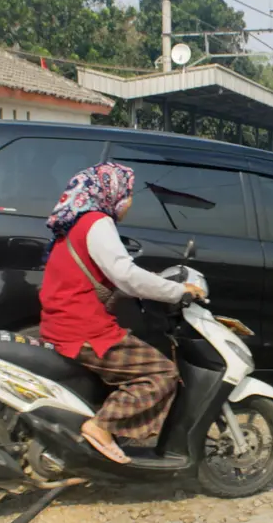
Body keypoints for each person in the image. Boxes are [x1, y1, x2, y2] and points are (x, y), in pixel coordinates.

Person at [39, 162, 205, 465]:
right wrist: (178, 291)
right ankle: (102, 427)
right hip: (84, 329)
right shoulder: (97, 222)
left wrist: (154, 283)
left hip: (60, 322)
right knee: (161, 373)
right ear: (109, 191)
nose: (129, 201)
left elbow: (111, 277)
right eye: (127, 193)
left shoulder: (74, 223)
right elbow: (124, 274)